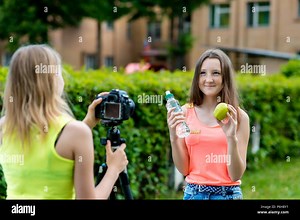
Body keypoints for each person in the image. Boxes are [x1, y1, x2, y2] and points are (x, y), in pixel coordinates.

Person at [0, 44, 128, 199]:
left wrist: (86, 123)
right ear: (51, 80)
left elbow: (48, 146)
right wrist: (114, 169)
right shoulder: (77, 133)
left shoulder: (4, 127)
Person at [167, 48, 250, 200]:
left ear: (225, 77)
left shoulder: (239, 117)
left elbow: (235, 175)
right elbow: (184, 169)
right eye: (203, 73)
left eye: (216, 73)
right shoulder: (185, 112)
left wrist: (231, 137)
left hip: (228, 194)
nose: (208, 79)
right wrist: (173, 136)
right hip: (193, 193)